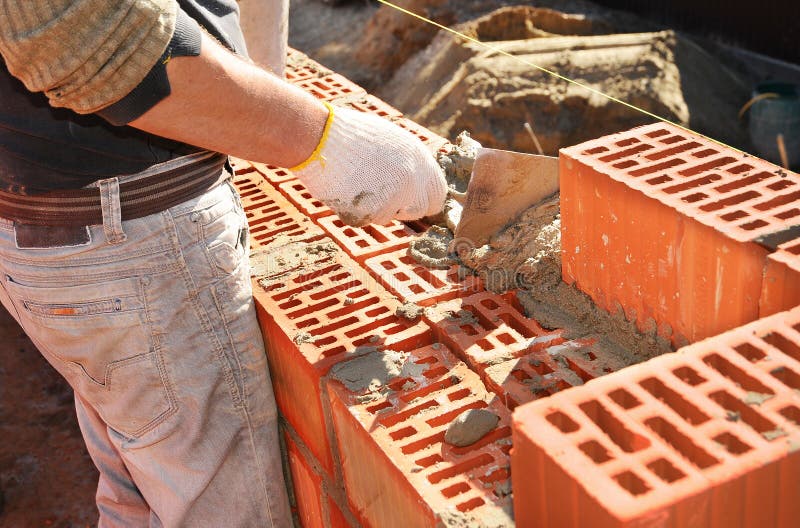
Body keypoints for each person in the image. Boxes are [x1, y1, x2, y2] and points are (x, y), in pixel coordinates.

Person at [0, 1, 447, 526]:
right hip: (132, 241)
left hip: (77, 233)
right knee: (222, 510)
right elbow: (86, 32)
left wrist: (256, 92)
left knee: (141, 489)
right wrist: (322, 142)